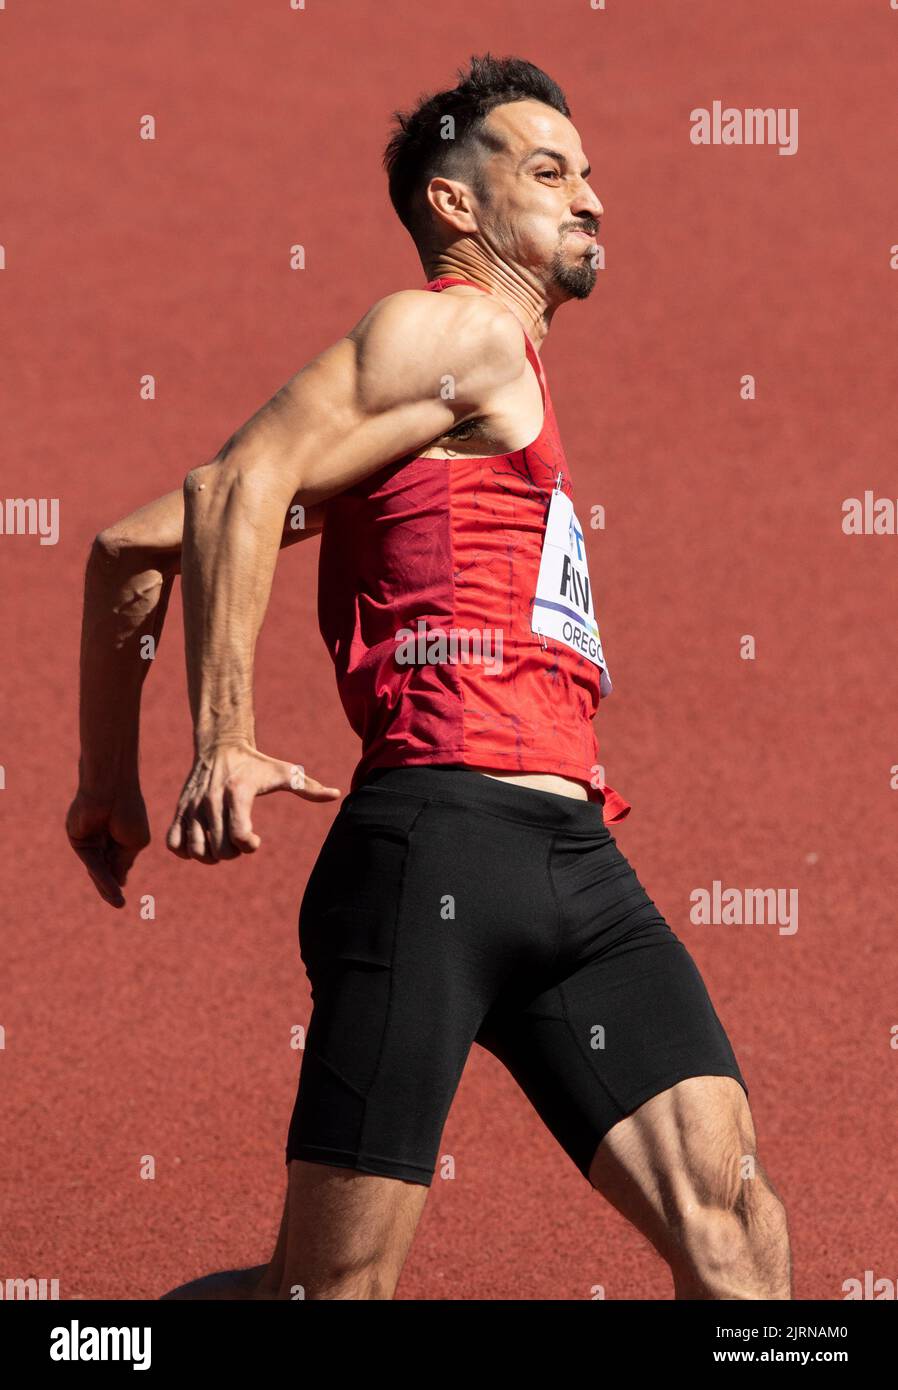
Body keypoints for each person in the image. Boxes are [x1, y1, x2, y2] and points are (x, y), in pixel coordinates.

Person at [67, 55, 791, 1301]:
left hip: (573, 863)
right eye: (548, 171)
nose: (592, 199)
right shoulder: (457, 325)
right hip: (437, 847)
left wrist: (104, 786)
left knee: (734, 1232)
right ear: (457, 206)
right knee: (330, 1293)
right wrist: (221, 737)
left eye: (590, 173)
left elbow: (130, 553)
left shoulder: (445, 406)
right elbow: (232, 487)